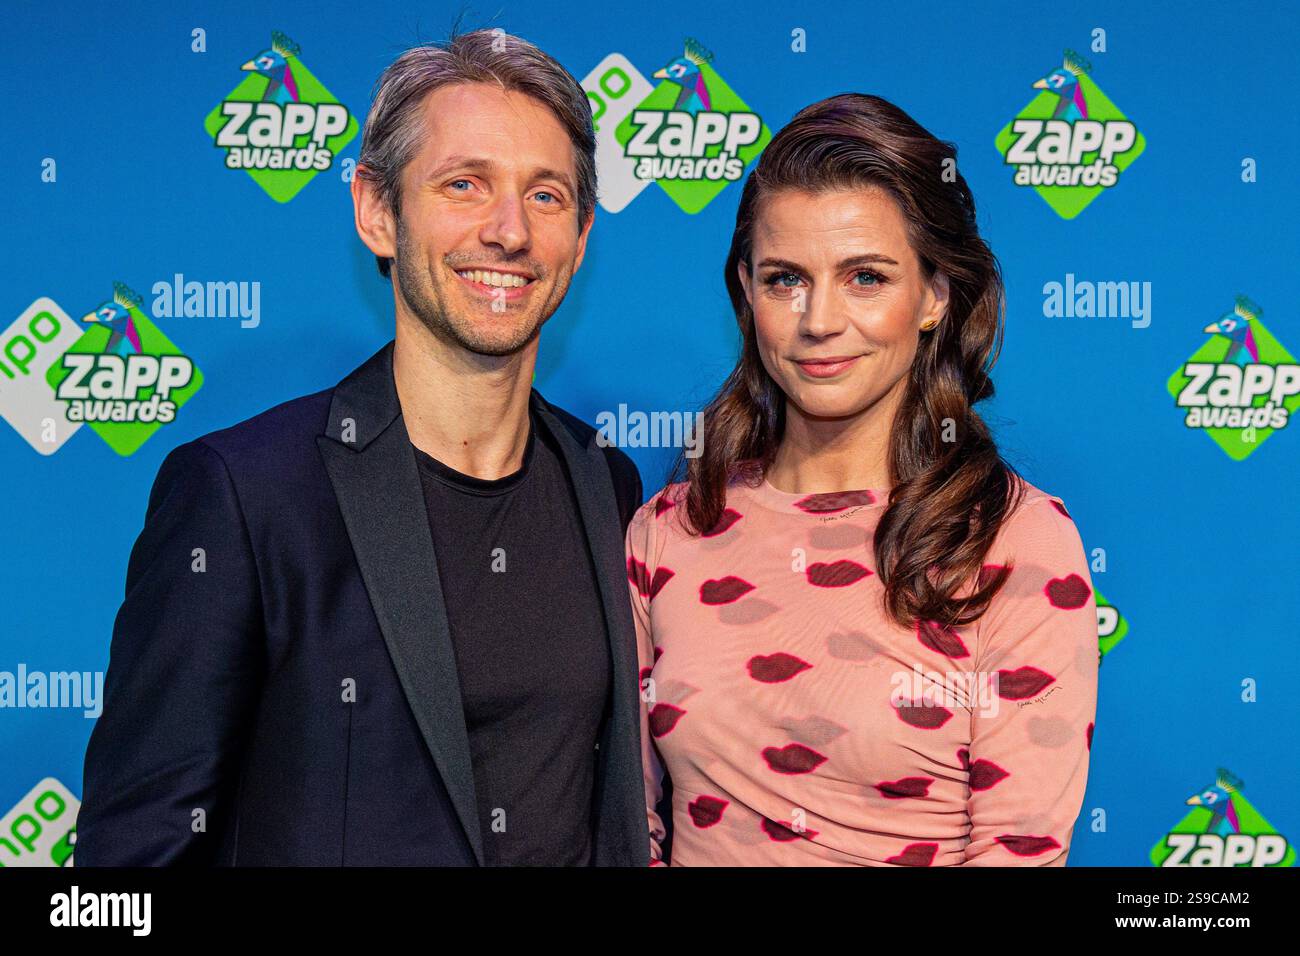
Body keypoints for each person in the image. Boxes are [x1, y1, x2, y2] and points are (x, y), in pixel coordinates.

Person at [75, 28, 648, 867]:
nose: (509, 231)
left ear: (583, 233)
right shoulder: (242, 494)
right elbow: (129, 864)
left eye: (547, 196)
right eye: (464, 184)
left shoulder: (608, 483)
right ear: (377, 210)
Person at [627, 93, 1099, 866]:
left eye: (866, 277)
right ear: (746, 291)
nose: (818, 320)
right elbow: (632, 826)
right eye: (784, 278)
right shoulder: (669, 529)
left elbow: (1018, 853)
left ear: (934, 296)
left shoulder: (1020, 542)